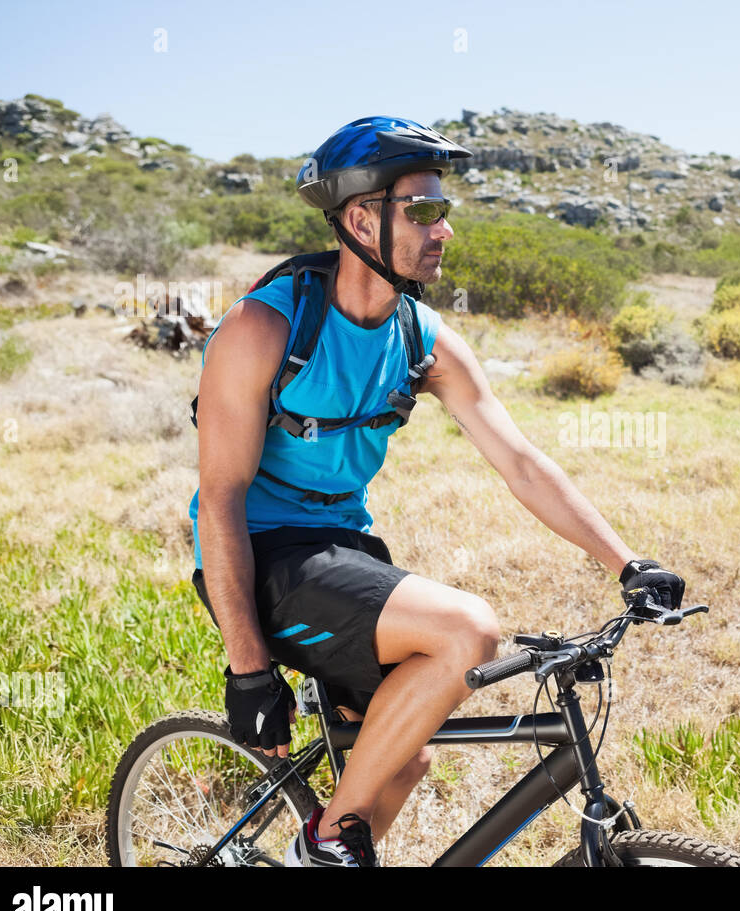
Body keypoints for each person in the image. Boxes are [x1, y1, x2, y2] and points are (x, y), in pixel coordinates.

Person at [186, 116, 686, 866]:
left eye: (444, 210)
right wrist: (248, 668)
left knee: (402, 758)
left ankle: (315, 853)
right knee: (467, 631)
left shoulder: (424, 338)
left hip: (344, 547)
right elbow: (220, 497)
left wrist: (626, 562)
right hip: (262, 556)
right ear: (360, 218)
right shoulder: (264, 328)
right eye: (422, 210)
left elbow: (518, 459)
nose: (444, 228)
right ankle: (325, 840)